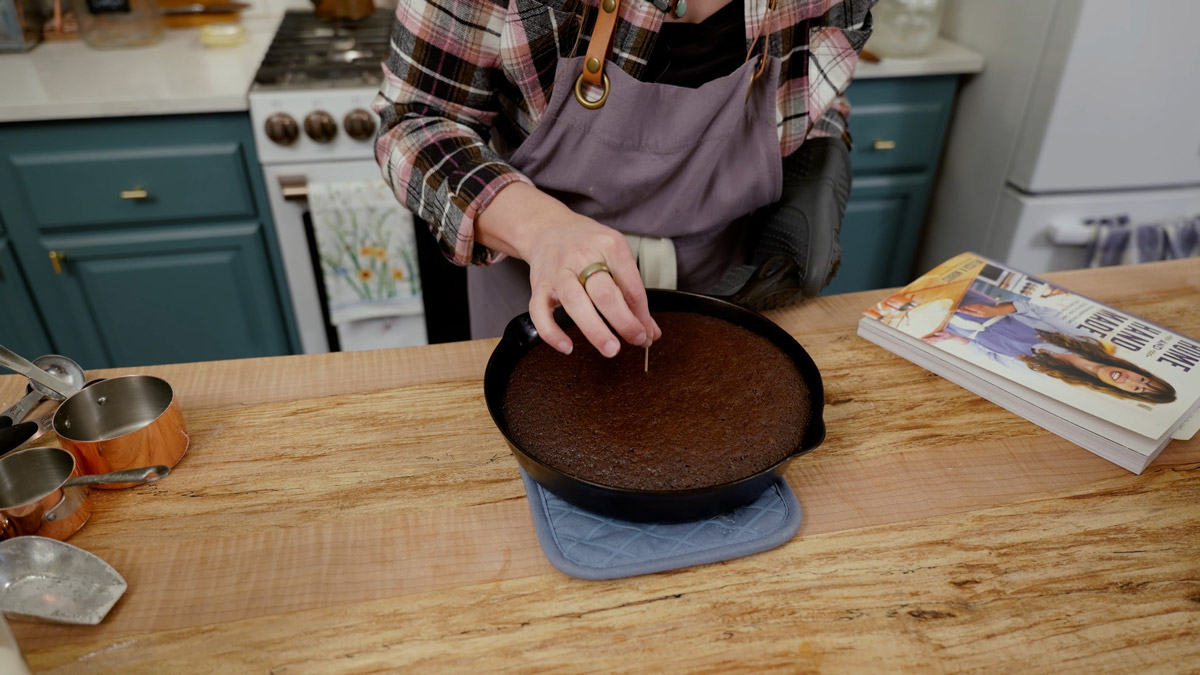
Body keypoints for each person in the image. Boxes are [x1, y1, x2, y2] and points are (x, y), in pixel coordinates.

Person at [373, 0, 875, 356]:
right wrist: (543, 229)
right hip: (537, 300)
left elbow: (812, 88)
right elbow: (413, 121)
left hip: (726, 292)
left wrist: (819, 171)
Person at [925, 298, 1176, 404]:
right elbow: (1035, 309)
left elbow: (991, 357)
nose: (1132, 381)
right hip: (976, 307)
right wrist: (995, 311)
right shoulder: (1085, 341)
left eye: (1137, 389)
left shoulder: (1055, 376)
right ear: (1136, 370)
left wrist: (952, 338)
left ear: (1123, 391)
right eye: (1142, 379)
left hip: (957, 328)